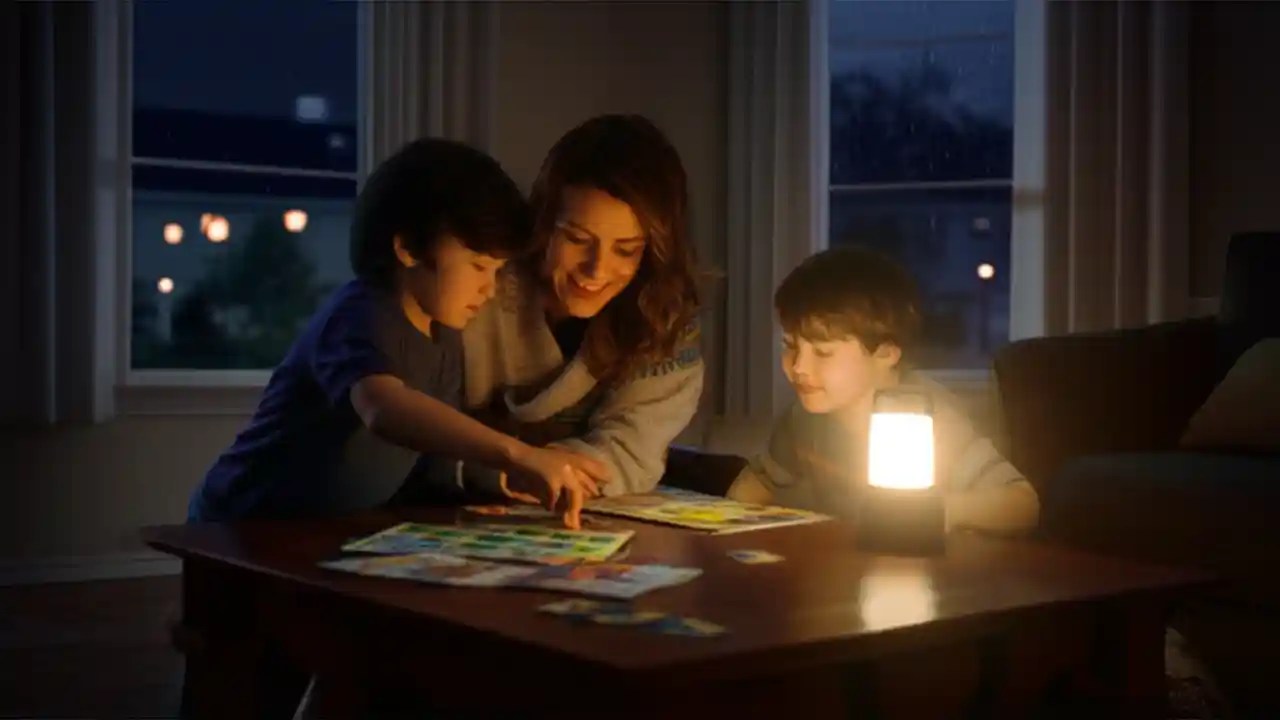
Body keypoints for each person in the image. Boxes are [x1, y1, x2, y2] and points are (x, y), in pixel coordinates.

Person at [187, 138, 607, 530]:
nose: (490, 288)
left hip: (320, 531)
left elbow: (432, 452)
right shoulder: (360, 314)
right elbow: (384, 409)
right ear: (407, 248)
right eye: (479, 267)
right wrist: (517, 453)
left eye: (497, 272)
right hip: (243, 523)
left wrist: (506, 478)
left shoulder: (445, 335)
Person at [447, 114, 705, 502]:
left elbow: (632, 447)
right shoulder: (480, 287)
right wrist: (510, 464)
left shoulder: (662, 319)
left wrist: (554, 470)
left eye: (626, 250)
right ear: (545, 223)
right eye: (577, 239)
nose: (596, 269)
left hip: (579, 521)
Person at [726, 246, 1039, 534]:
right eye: (791, 347)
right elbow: (757, 484)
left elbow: (1022, 503)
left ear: (887, 353)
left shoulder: (928, 421)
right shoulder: (803, 421)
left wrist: (939, 510)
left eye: (823, 353)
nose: (799, 368)